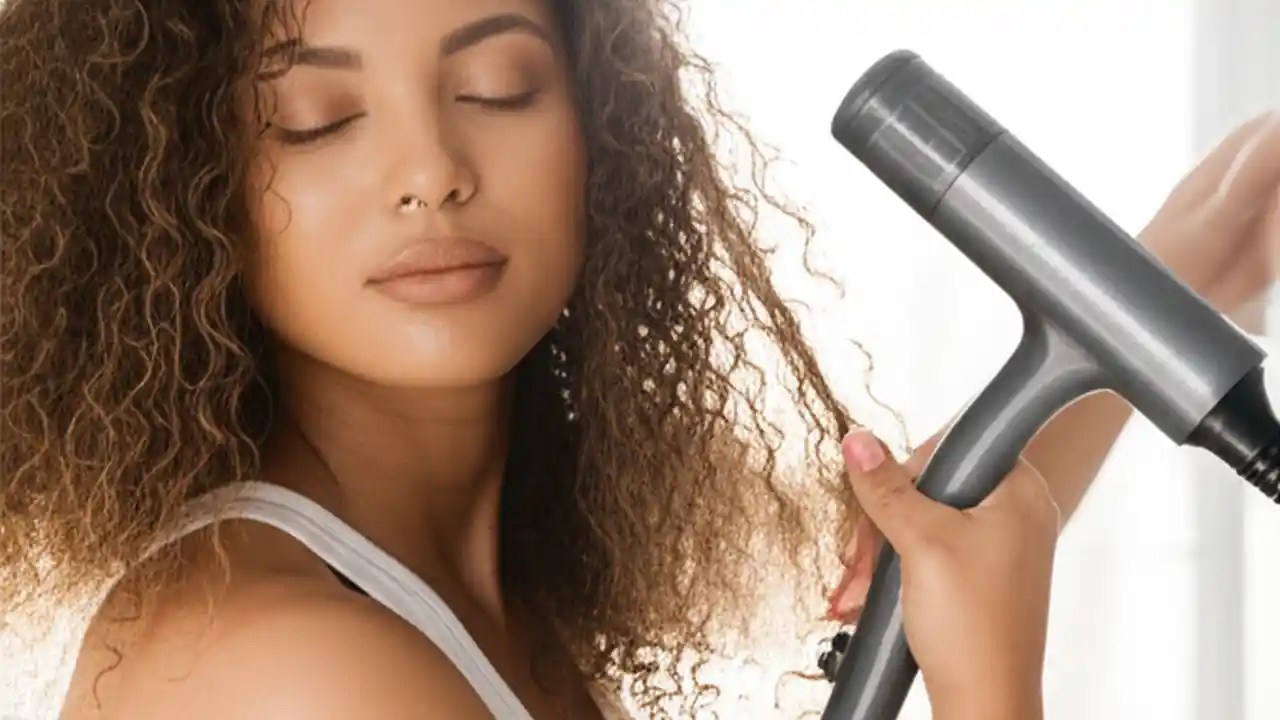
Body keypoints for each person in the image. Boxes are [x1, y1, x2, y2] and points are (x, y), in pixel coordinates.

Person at [1, 0, 1276, 717]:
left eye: (498, 86)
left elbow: (958, 536)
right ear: (171, 183)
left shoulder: (465, 589)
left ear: (600, 131)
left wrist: (1185, 266)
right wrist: (991, 686)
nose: (432, 172)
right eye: (314, 118)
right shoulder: (286, 672)